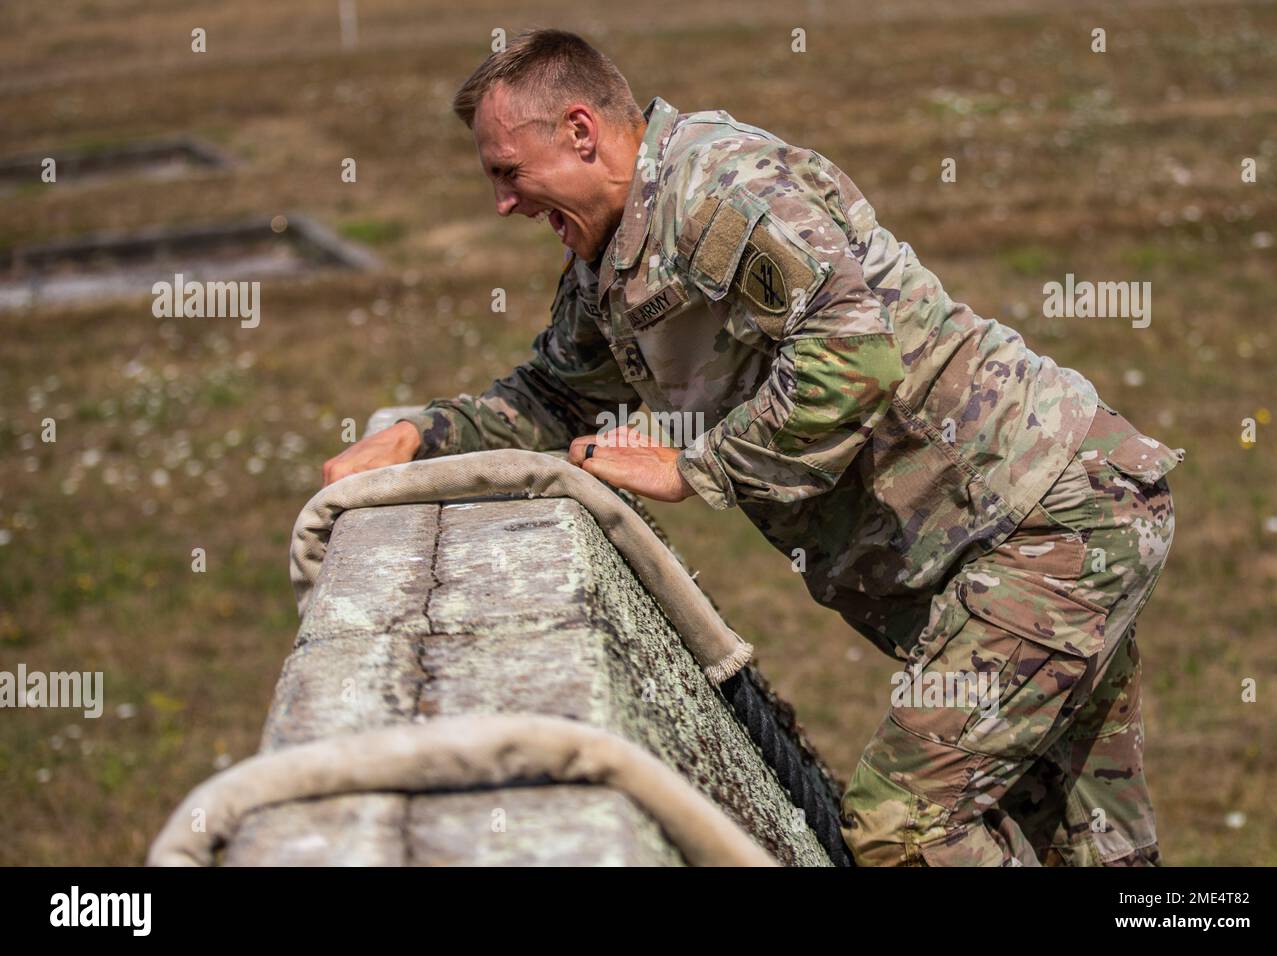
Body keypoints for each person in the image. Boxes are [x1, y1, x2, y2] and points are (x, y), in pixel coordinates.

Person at [321, 29, 1182, 866]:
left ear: (580, 132)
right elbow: (555, 397)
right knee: (1093, 844)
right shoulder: (607, 253)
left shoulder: (714, 191)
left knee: (904, 830)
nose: (504, 202)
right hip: (1002, 537)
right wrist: (419, 436)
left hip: (1043, 524)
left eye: (509, 172)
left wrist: (696, 467)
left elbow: (851, 353)